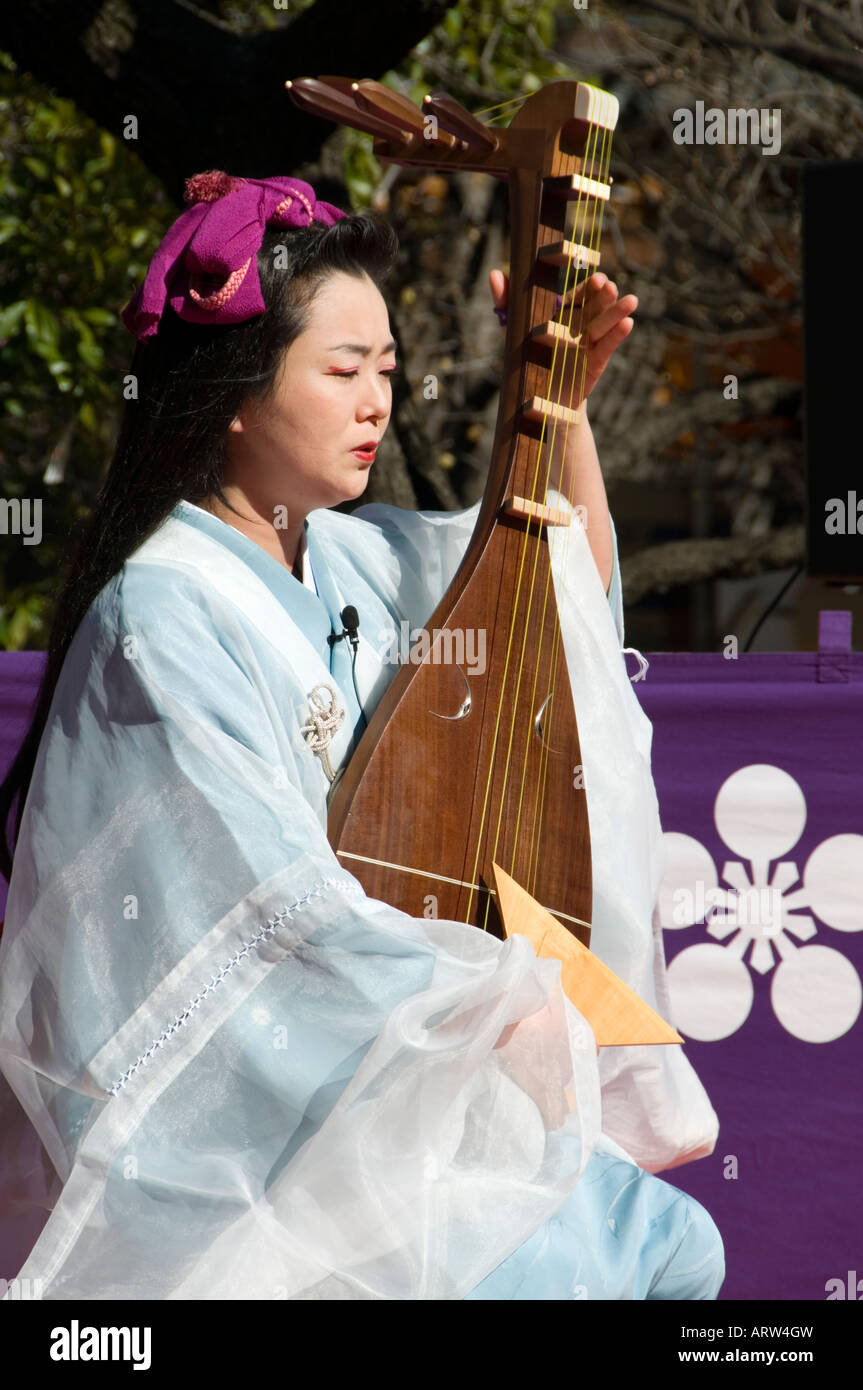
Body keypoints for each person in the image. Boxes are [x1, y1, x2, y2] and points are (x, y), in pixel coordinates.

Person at [0, 172, 722, 1299]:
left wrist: (560, 409)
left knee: (671, 1249)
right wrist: (487, 1003)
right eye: (341, 371)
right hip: (269, 1138)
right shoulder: (163, 611)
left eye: (386, 369)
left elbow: (557, 613)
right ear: (236, 394)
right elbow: (259, 915)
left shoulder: (351, 556)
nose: (377, 401)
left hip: (407, 1085)